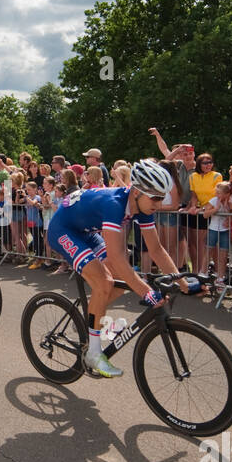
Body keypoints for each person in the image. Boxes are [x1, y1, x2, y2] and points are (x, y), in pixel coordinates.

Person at [44, 159, 179, 378]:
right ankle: (94, 355)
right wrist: (148, 293)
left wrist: (183, 282)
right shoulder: (114, 204)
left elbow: (156, 249)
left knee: (122, 281)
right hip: (63, 229)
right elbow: (116, 258)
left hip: (86, 231)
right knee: (104, 282)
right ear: (136, 191)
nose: (159, 203)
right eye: (155, 197)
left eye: (162, 197)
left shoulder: (144, 206)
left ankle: (94, 317)